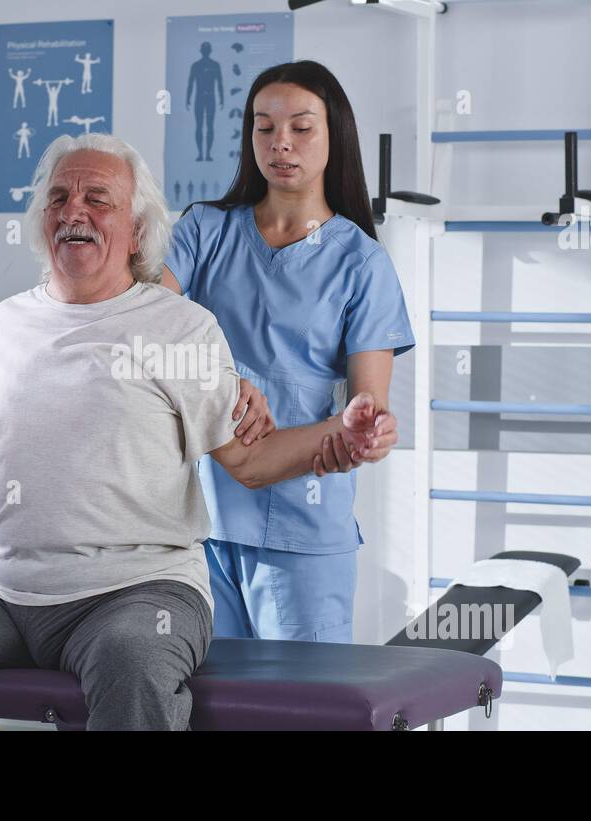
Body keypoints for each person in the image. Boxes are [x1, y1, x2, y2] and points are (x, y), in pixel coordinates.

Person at [0, 133, 394, 731]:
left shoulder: (181, 329)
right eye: (60, 197)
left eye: (98, 199)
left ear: (138, 232)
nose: (74, 211)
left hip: (139, 591)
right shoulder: (5, 325)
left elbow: (251, 461)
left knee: (129, 661)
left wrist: (337, 441)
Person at [162, 60, 416, 644]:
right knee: (205, 708)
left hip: (302, 531)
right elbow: (144, 322)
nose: (280, 143)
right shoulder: (203, 231)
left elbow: (367, 405)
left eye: (301, 128)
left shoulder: (362, 265)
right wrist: (226, 378)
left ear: (335, 138)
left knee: (300, 710)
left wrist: (366, 431)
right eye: (263, 126)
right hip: (193, 525)